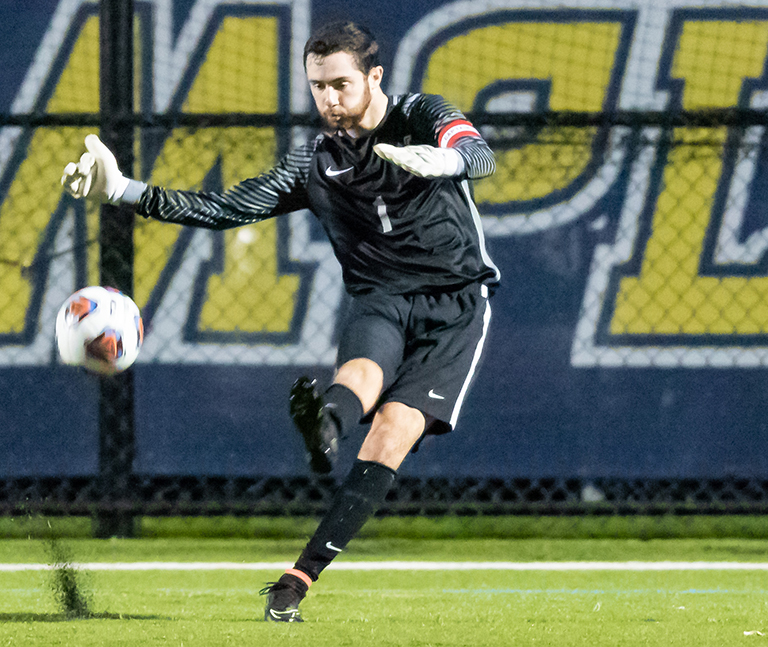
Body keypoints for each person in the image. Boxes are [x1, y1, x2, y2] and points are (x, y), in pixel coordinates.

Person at [61, 21, 499, 622]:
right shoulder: (314, 160)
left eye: (341, 84)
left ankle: (298, 575)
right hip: (380, 298)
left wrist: (445, 161)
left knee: (392, 430)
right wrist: (124, 190)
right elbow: (225, 208)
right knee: (362, 376)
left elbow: (480, 153)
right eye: (317, 87)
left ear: (374, 77)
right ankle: (324, 425)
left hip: (455, 302)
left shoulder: (423, 114)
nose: (329, 99)